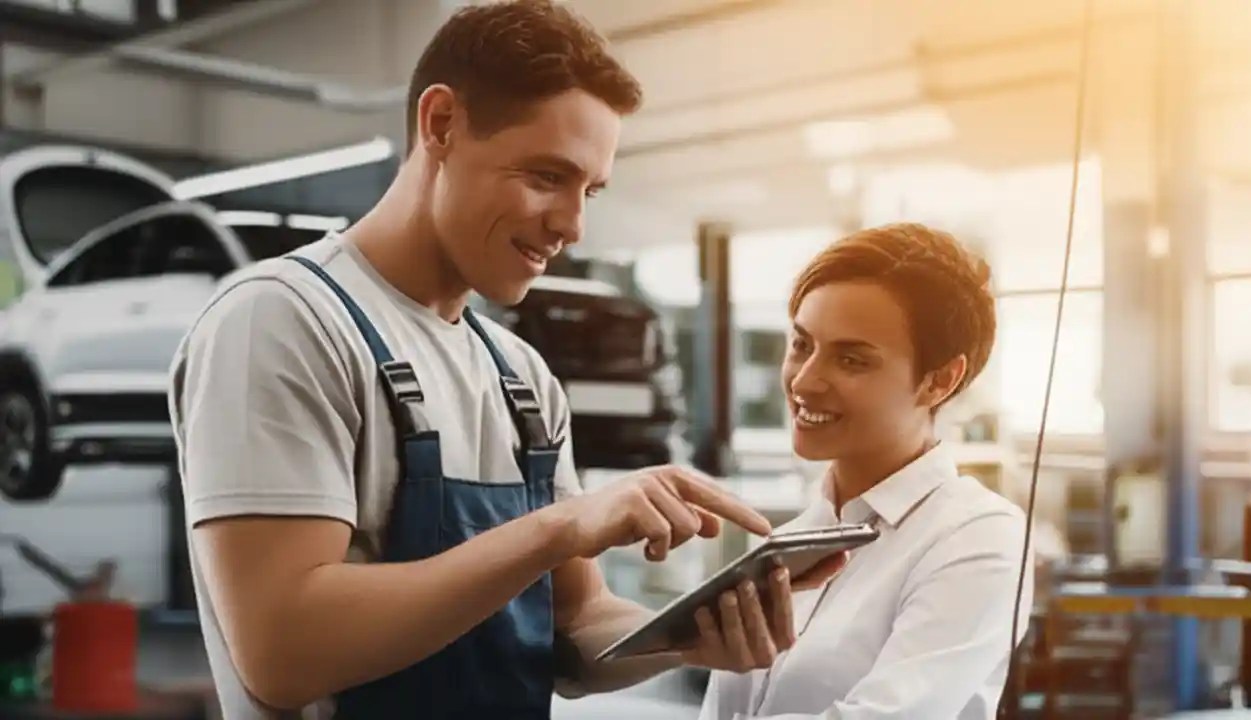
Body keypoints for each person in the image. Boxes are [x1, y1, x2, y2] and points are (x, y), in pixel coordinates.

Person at [166, 2, 844, 718]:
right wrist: (560, 527)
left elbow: (577, 632)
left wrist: (690, 632)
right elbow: (283, 652)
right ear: (440, 125)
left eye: (590, 190)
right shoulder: (282, 321)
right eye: (548, 176)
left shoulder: (522, 379)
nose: (573, 225)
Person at [698, 223, 1035, 720]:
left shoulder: (979, 537)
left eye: (851, 360)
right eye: (800, 345)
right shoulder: (788, 543)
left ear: (939, 381)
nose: (805, 381)